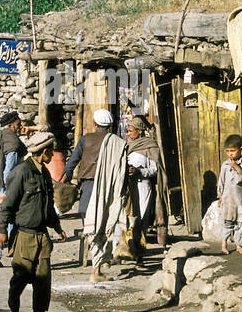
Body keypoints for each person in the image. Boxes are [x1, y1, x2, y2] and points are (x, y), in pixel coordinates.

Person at [0, 131, 68, 312]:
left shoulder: (44, 173)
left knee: (43, 275)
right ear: (43, 152)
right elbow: (7, 204)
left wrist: (57, 228)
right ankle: (14, 292)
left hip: (42, 234)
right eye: (51, 151)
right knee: (22, 273)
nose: (53, 155)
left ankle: (39, 311)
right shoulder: (21, 173)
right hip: (24, 234)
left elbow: (48, 204)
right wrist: (2, 230)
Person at [82, 110, 129, 282]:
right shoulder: (118, 143)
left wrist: (65, 176)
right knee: (107, 225)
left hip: (89, 188)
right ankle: (99, 267)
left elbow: (73, 160)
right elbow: (123, 169)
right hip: (111, 189)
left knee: (94, 226)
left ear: (95, 124)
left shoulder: (86, 139)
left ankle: (96, 265)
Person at [0, 110, 25, 265]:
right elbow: (9, 169)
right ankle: (6, 253)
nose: (20, 127)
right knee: (6, 218)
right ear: (10, 125)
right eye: (17, 125)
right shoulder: (12, 143)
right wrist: (12, 188)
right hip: (6, 185)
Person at [61, 108, 116, 217]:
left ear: (95, 124)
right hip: (109, 184)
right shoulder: (115, 140)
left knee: (87, 217)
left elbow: (71, 163)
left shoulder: (85, 139)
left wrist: (63, 181)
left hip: (88, 184)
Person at [126, 115, 166, 248]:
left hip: (142, 185)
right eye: (128, 131)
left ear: (139, 131)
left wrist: (139, 171)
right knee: (128, 218)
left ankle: (140, 249)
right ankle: (128, 247)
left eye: (131, 131)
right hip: (128, 186)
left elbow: (155, 169)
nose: (128, 134)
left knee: (141, 217)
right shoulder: (127, 146)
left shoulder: (150, 147)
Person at [218, 134, 242, 254]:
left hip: (240, 201)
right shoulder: (225, 165)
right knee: (227, 223)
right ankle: (224, 244)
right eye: (227, 151)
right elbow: (221, 182)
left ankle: (240, 245)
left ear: (241, 149)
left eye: (233, 151)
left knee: (241, 224)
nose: (230, 154)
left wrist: (238, 169)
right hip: (228, 201)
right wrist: (220, 197)